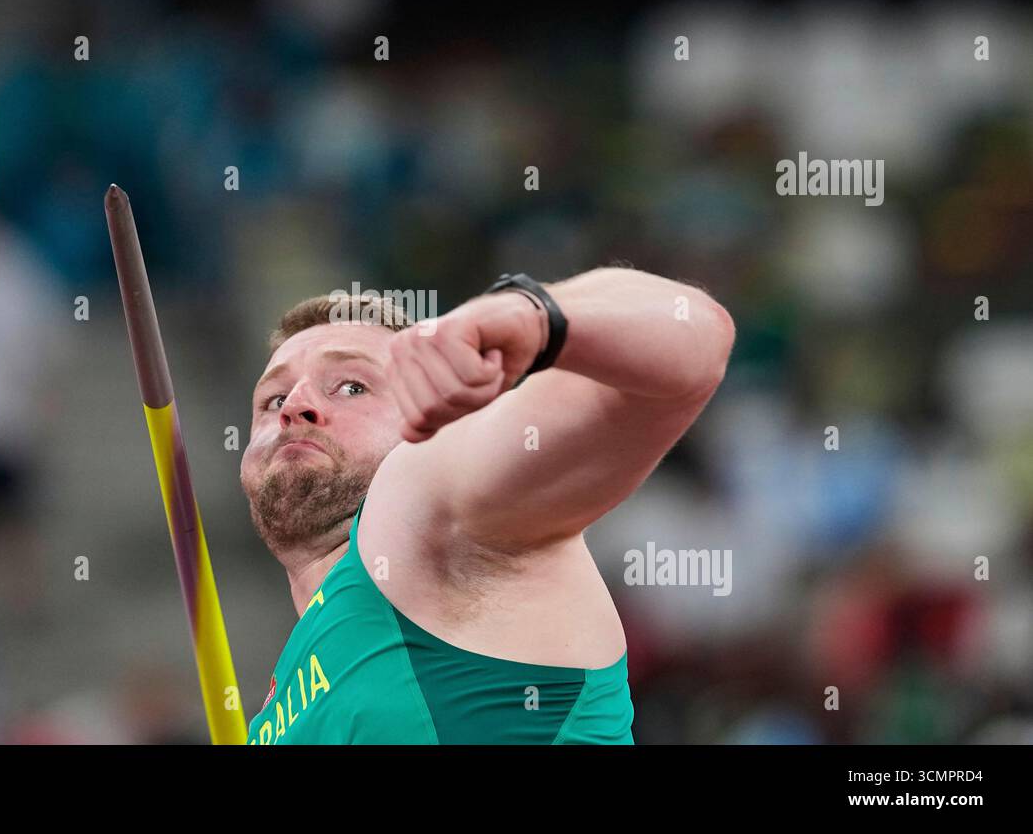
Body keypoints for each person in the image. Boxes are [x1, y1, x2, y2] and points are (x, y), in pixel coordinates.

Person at [240, 268, 735, 743]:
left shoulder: (423, 496)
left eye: (352, 386)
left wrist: (535, 315)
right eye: (272, 398)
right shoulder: (274, 713)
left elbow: (697, 336)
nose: (294, 405)